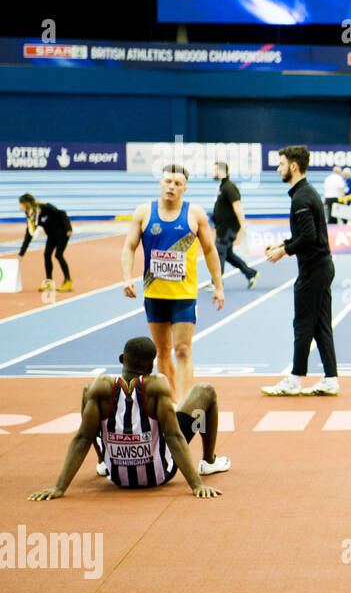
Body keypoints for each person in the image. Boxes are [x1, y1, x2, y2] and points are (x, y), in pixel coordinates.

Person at [26, 336, 229, 501]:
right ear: (151, 366)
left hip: (118, 477)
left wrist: (60, 487)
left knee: (88, 393)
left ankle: (102, 463)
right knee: (205, 390)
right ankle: (209, 461)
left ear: (122, 358)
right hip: (159, 476)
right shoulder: (157, 385)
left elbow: (82, 438)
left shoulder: (101, 387)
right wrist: (196, 484)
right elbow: (174, 436)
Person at [121, 164, 225, 399]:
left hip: (184, 296)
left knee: (183, 350)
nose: (171, 186)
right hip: (155, 295)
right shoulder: (144, 212)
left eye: (177, 183)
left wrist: (218, 286)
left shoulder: (195, 214)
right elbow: (129, 247)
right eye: (168, 181)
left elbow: (210, 250)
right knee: (163, 351)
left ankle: (184, 405)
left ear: (184, 188)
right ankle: (172, 401)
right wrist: (127, 278)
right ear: (160, 183)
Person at [261, 145, 339, 396]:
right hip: (321, 266)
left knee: (303, 324)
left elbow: (309, 236)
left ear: (293, 166)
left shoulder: (302, 197)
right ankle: (330, 379)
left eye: (281, 164)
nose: (278, 169)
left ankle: (294, 378)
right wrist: (283, 244)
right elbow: (306, 235)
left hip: (314, 270)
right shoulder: (305, 193)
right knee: (320, 325)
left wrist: (283, 250)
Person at [206, 162, 258, 291]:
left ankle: (216, 283)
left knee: (219, 253)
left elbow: (237, 206)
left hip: (227, 228)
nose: (213, 172)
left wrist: (242, 224)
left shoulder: (229, 187)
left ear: (221, 171)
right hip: (222, 227)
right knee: (228, 254)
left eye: (215, 169)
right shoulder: (222, 187)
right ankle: (250, 273)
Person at [17, 193, 74, 292]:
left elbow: (62, 213)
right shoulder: (31, 215)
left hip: (63, 233)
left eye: (20, 204)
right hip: (51, 236)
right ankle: (49, 282)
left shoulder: (45, 207)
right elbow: (29, 234)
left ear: (26, 203)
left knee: (58, 255)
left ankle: (68, 281)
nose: (19, 207)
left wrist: (68, 228)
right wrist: (22, 253)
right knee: (47, 255)